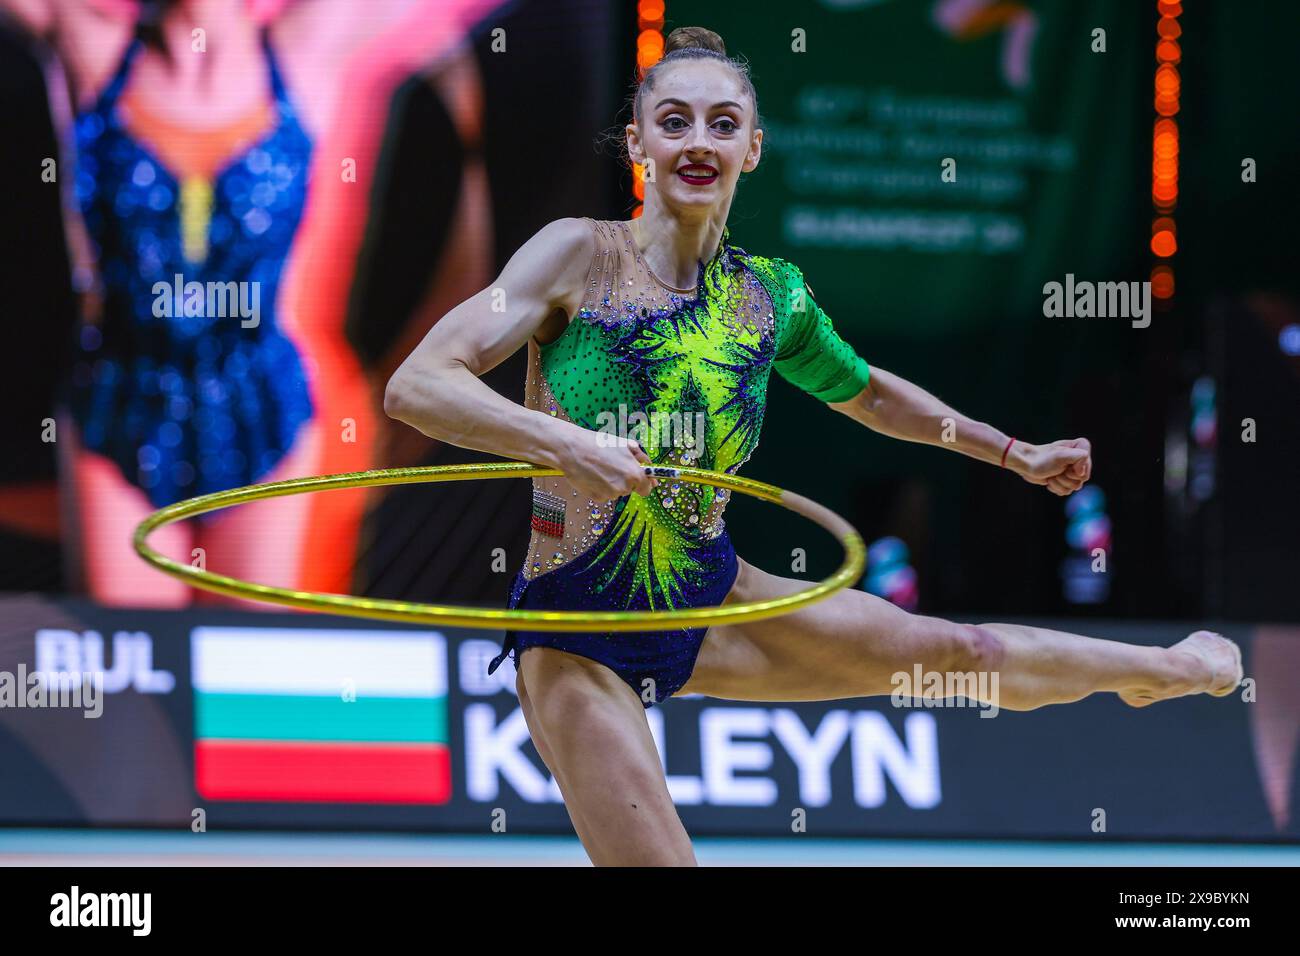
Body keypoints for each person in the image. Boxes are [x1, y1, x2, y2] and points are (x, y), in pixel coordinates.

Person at [383, 26, 1243, 866]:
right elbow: (418, 385)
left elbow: (869, 393)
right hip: (578, 628)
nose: (697, 141)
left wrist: (1012, 452)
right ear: (636, 140)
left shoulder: (769, 298)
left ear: (752, 148)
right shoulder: (575, 254)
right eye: (673, 120)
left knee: (962, 655)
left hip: (715, 603)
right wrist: (566, 445)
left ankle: (1156, 668)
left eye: (723, 124)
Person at [4, 0, 499, 605]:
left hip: (260, 406)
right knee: (133, 667)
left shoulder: (300, 52)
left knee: (247, 665)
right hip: (122, 402)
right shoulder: (94, 45)